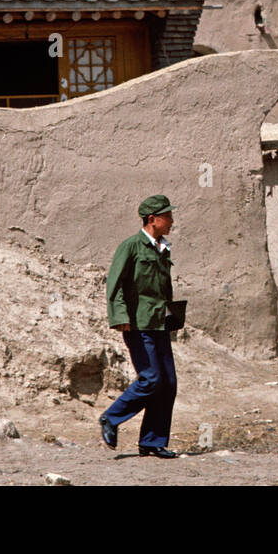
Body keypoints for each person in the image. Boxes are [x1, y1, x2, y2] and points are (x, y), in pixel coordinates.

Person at [99, 194, 180, 459]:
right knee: (151, 379)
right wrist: (119, 316)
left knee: (167, 383)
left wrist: (173, 317)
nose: (171, 220)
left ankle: (152, 442)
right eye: (167, 216)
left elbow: (163, 289)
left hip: (159, 323)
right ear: (152, 219)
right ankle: (111, 418)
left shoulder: (163, 247)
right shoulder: (131, 246)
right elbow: (115, 283)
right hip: (137, 325)